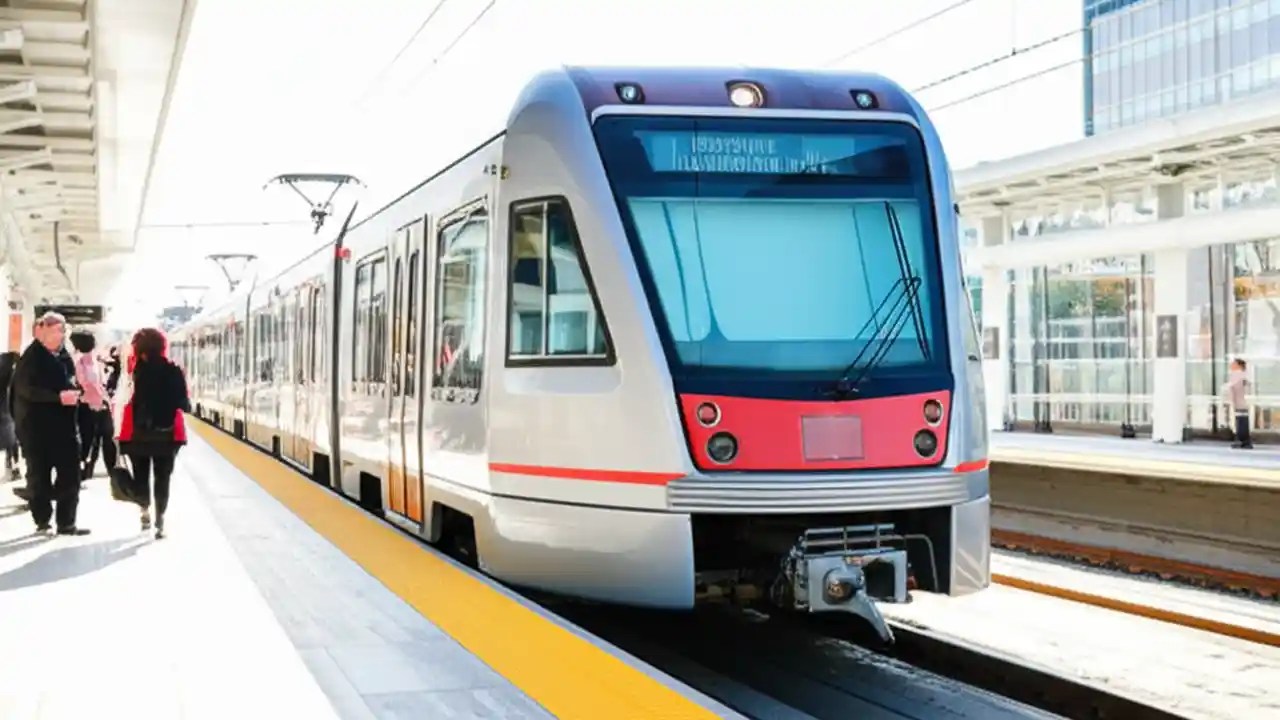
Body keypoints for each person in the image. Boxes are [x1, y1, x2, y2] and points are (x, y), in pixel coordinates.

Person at [11, 312, 87, 535]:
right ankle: (43, 520)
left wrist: (77, 393)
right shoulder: (30, 358)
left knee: (71, 474)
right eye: (57, 330)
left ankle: (67, 523)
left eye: (63, 331)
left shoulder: (64, 357)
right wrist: (57, 397)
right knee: (39, 476)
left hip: (66, 428)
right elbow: (26, 391)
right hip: (37, 429)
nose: (62, 335)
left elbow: (72, 382)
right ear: (42, 330)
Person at [117, 328, 190, 539]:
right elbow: (184, 404)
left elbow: (122, 402)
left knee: (141, 475)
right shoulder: (174, 371)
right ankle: (160, 521)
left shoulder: (133, 373)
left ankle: (144, 511)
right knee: (162, 478)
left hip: (138, 435)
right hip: (168, 436)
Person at [70, 330, 116, 479]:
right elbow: (87, 383)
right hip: (90, 406)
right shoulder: (82, 361)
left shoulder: (90, 360)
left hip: (95, 405)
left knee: (94, 439)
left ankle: (89, 470)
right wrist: (102, 400)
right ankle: (87, 470)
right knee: (92, 439)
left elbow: (92, 383)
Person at [1222, 358, 1253, 450]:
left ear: (1238, 365)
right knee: (1241, 422)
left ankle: (1243, 441)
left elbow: (1232, 387)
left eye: (1233, 363)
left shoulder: (1238, 374)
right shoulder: (1243, 375)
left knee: (1240, 422)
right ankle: (1244, 441)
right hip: (1241, 403)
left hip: (1239, 403)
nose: (1231, 365)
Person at [0, 351, 19, 481]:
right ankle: (13, 468)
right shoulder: (12, 377)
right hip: (8, 413)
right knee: (12, 443)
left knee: (11, 443)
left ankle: (11, 468)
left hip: (5, 413)